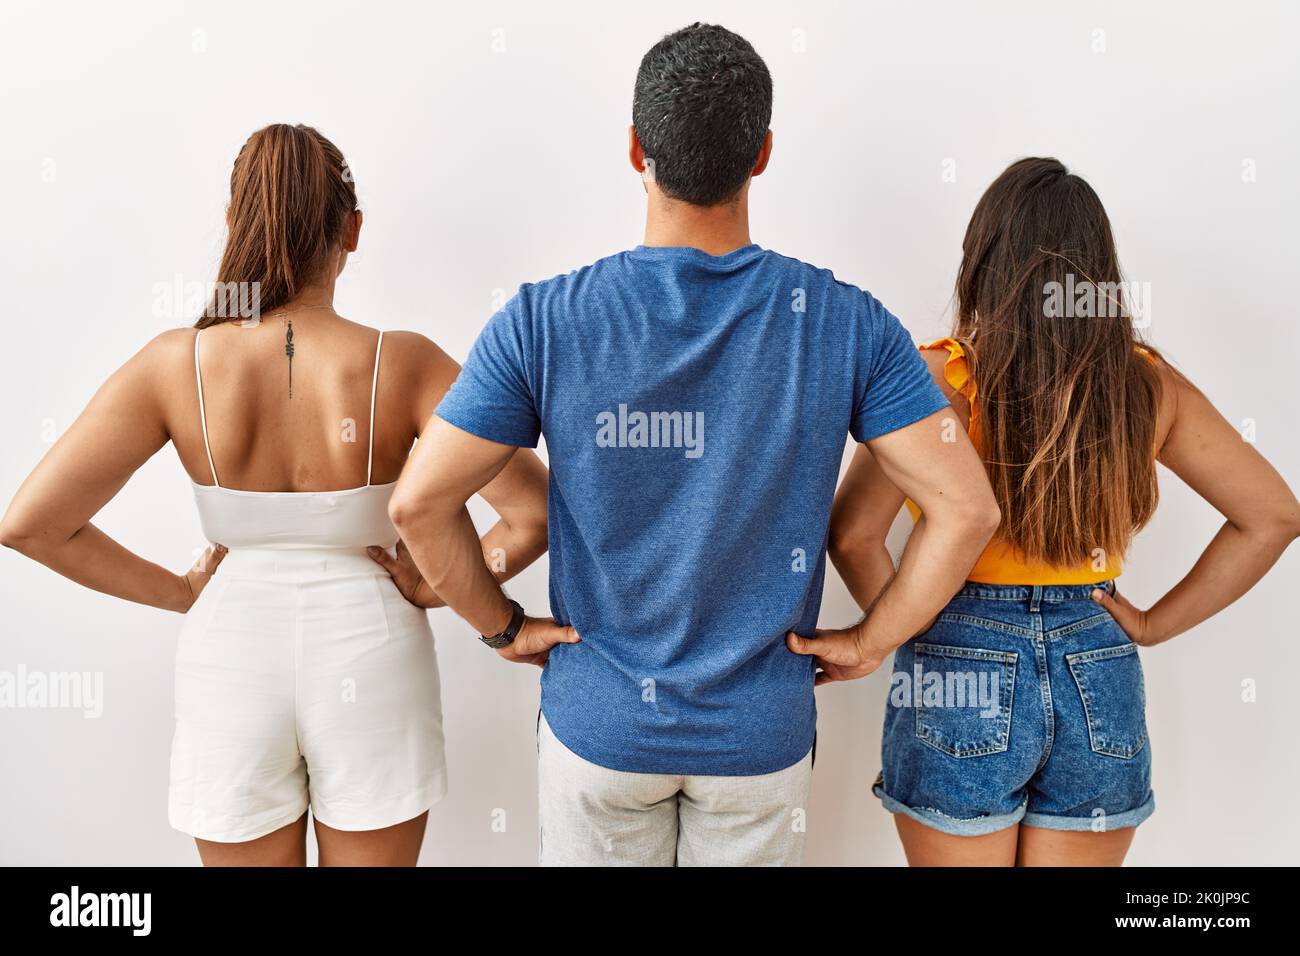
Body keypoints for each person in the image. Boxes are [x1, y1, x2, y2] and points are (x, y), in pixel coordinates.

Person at [386, 23, 1001, 867]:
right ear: (764, 154)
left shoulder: (543, 320)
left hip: (599, 730)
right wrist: (870, 640)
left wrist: (501, 629)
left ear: (637, 150)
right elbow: (965, 508)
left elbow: (419, 502)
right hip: (759, 738)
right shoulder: (844, 322)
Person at [0, 123, 550, 866]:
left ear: (234, 221)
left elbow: (31, 525)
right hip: (373, 656)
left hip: (230, 658)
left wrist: (178, 591)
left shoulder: (175, 365)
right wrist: (439, 584)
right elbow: (532, 511)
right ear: (351, 230)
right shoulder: (406, 363)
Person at [829, 157, 1300, 866]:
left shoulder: (942, 377)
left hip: (961, 660)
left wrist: (916, 628)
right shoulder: (1146, 386)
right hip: (1099, 663)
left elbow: (855, 534)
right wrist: (1151, 624)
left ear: (982, 261)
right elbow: (1273, 515)